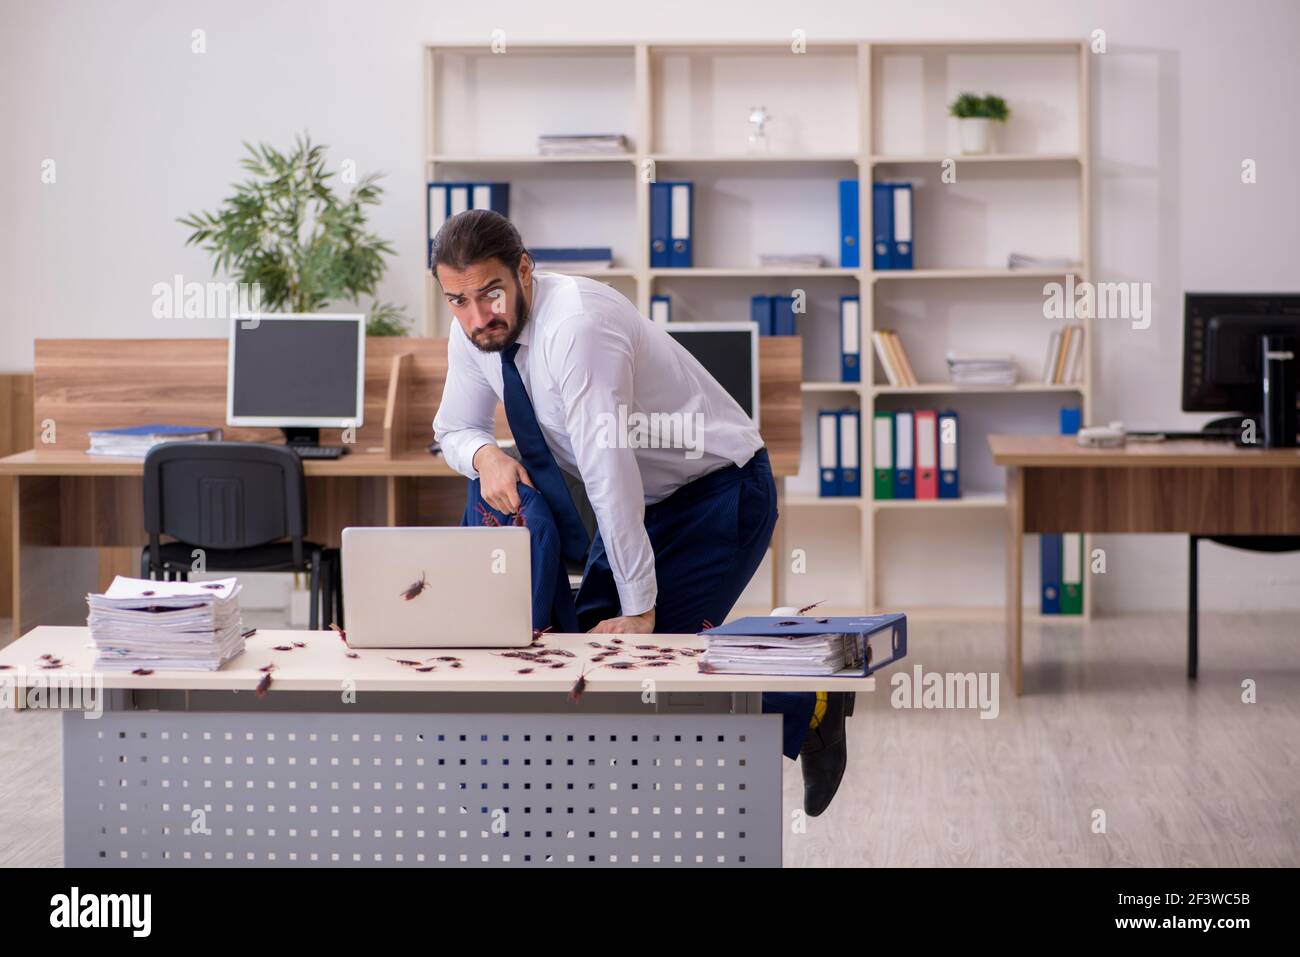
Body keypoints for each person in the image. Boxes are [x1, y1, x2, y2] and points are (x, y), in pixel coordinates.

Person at [431, 209, 852, 815]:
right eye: (458, 300)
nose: (477, 317)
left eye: (490, 293)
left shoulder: (575, 328)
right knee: (586, 666)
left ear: (524, 270)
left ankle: (807, 699)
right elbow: (454, 428)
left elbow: (609, 472)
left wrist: (642, 610)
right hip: (642, 504)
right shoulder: (475, 331)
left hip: (719, 491)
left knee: (640, 664)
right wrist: (484, 456)